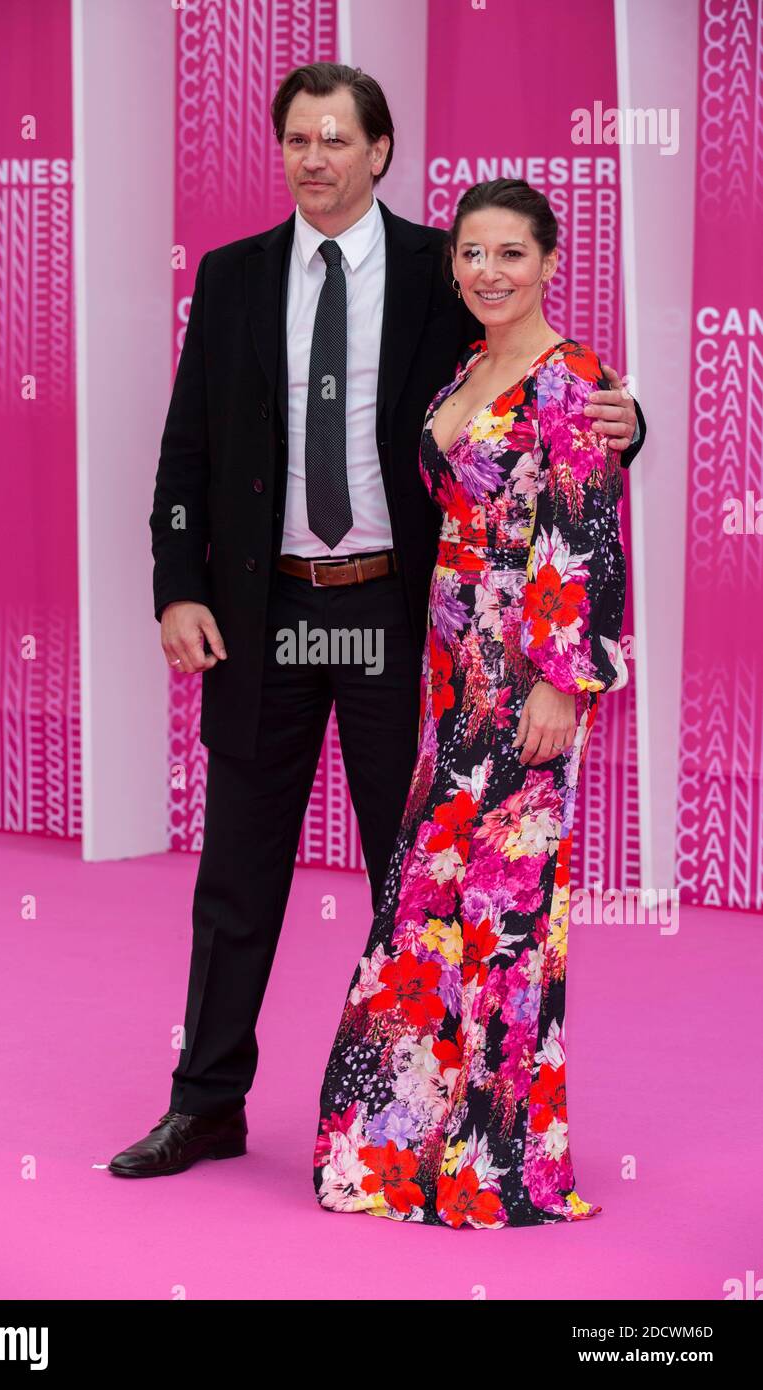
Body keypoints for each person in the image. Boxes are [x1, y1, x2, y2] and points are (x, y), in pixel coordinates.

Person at [109, 65, 644, 1180]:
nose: (314, 158)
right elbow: (183, 450)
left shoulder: (439, 271)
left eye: (337, 138)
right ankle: (205, 1100)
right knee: (237, 870)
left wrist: (622, 426)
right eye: (297, 138)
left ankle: (433, 1116)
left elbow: (530, 388)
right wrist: (177, 582)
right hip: (267, 614)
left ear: (380, 151)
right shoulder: (232, 279)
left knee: (416, 875)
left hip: (399, 618)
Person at [313, 178, 628, 1228]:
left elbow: (584, 537)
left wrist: (558, 682)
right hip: (450, 679)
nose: (486, 271)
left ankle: (494, 1163)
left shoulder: (571, 379)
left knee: (498, 915)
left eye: (508, 253)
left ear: (547, 261)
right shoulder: (467, 364)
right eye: (470, 254)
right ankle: (404, 1149)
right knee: (429, 906)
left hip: (523, 682)